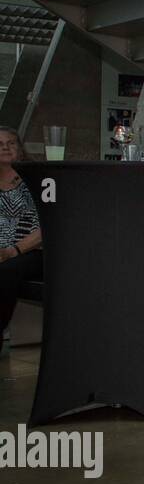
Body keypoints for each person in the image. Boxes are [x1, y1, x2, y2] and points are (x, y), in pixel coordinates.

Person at [0, 126, 43, 338]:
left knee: (6, 270)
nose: (5, 148)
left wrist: (13, 250)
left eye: (11, 143)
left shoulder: (36, 179)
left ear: (20, 148)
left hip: (31, 251)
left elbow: (48, 225)